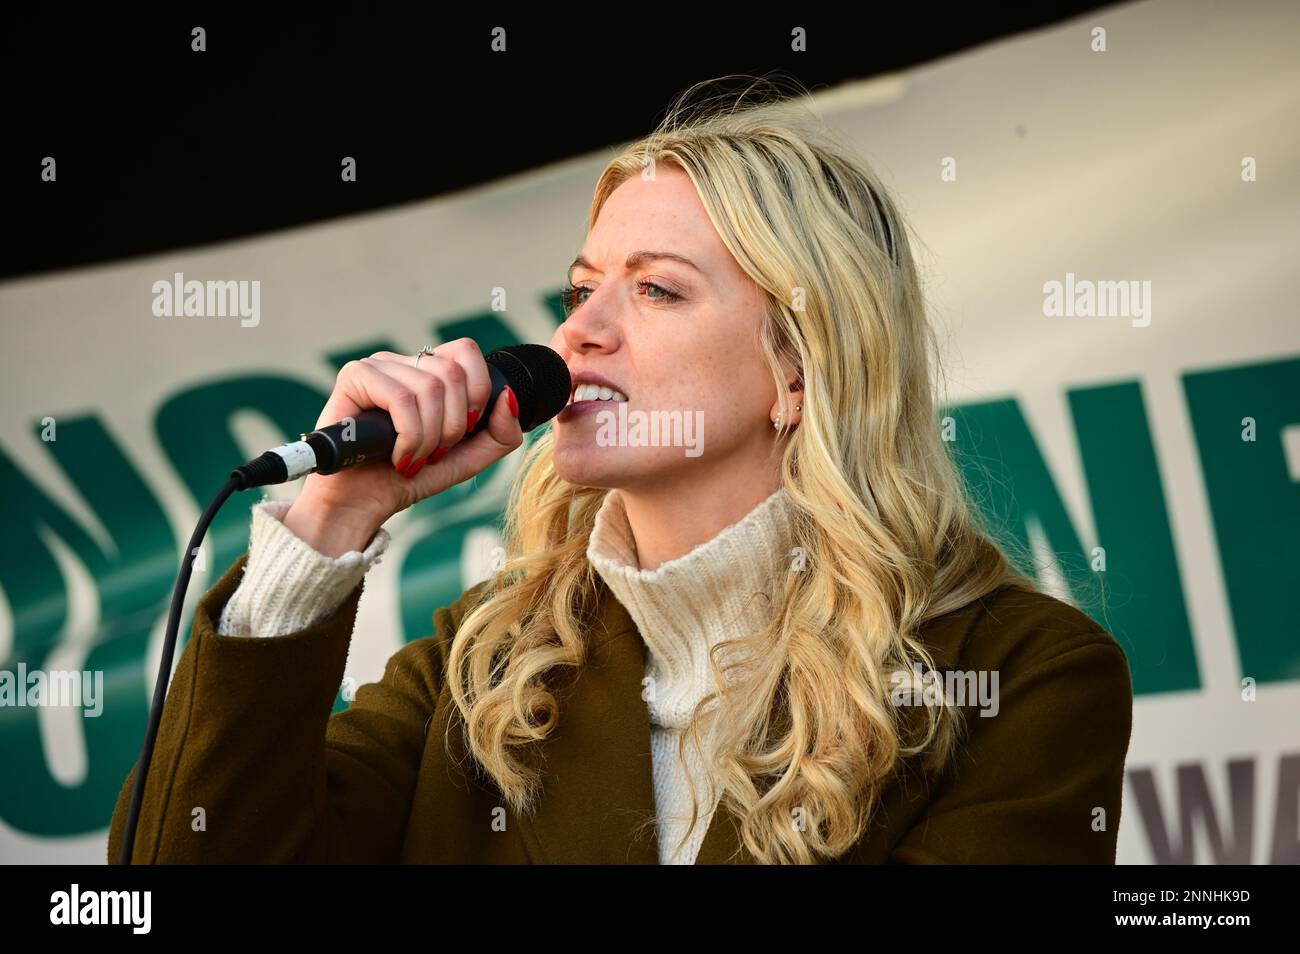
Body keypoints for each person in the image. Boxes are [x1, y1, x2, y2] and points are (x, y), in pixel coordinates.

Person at [108, 77, 1133, 865]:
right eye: (582, 287)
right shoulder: (478, 669)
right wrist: (331, 517)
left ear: (799, 369)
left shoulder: (1023, 676)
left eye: (655, 292)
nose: (578, 333)